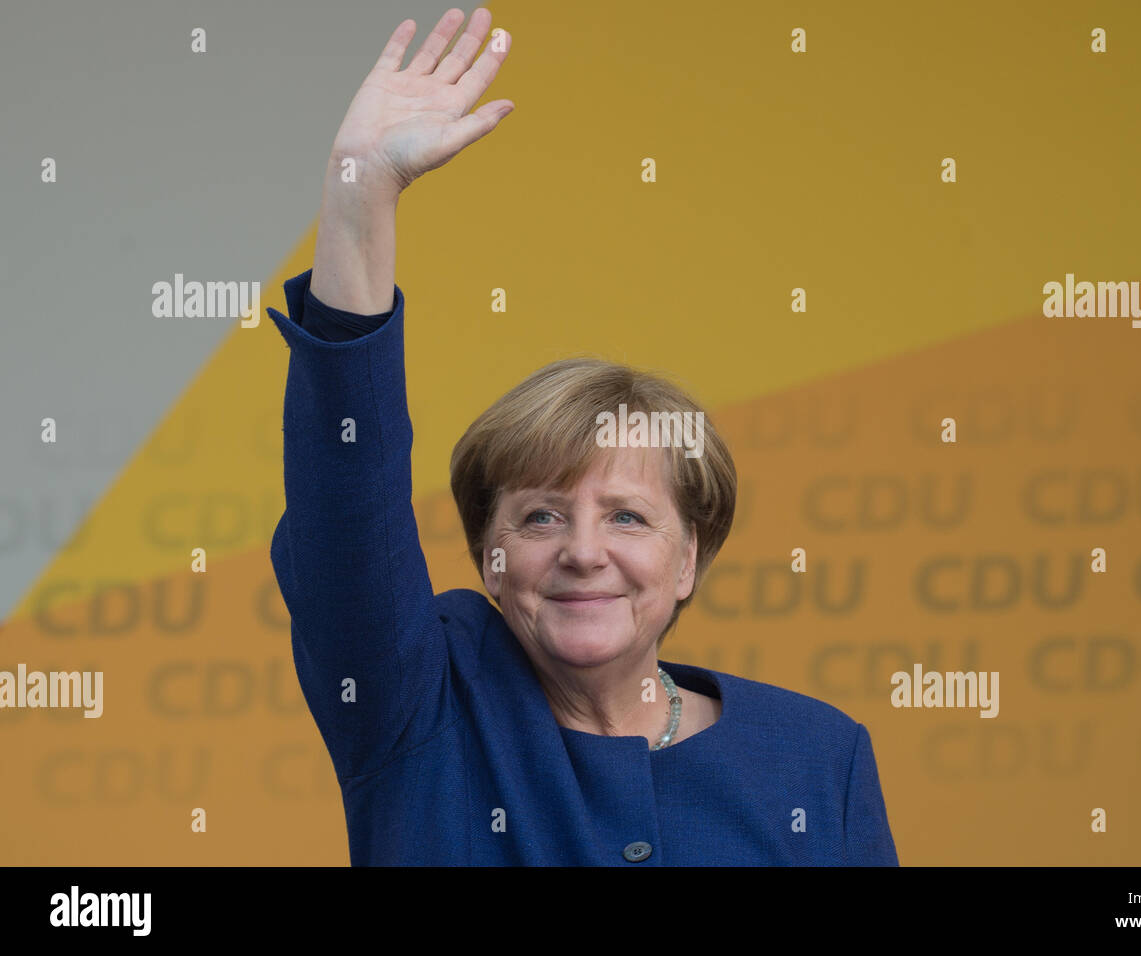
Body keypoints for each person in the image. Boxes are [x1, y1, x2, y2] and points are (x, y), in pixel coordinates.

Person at [267, 8, 898, 866]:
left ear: (689, 559)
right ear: (487, 554)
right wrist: (357, 198)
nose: (583, 552)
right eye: (539, 518)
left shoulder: (818, 759)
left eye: (629, 517)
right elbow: (347, 515)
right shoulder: (425, 706)